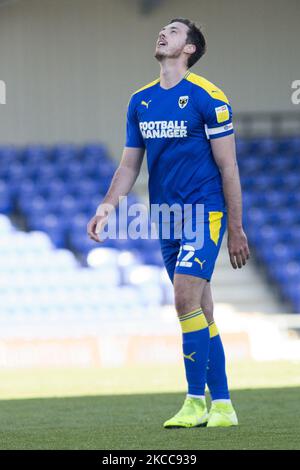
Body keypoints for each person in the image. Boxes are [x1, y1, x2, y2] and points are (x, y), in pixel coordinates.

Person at [87, 18, 250, 428]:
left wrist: (236, 227)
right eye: (162, 29)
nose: (163, 33)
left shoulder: (208, 98)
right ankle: (225, 406)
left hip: (203, 211)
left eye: (174, 31)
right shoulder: (139, 101)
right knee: (202, 311)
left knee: (183, 300)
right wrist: (108, 205)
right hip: (165, 217)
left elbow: (228, 167)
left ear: (190, 49)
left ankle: (195, 402)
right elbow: (129, 165)